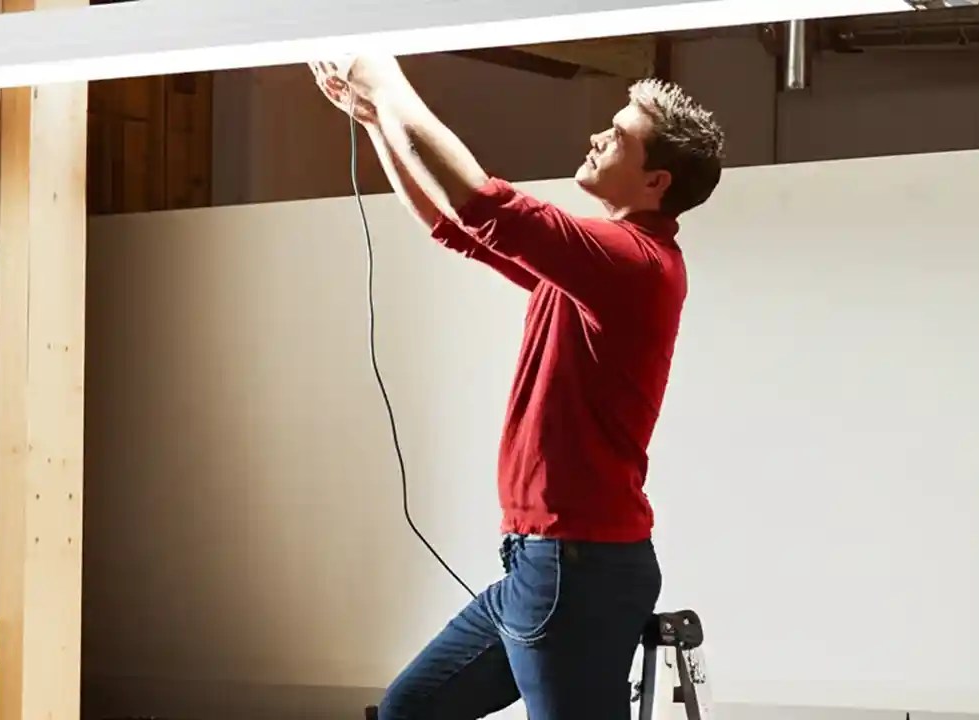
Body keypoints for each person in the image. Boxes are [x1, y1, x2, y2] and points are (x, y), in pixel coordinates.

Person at [308, 56, 725, 719]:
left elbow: (483, 204)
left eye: (617, 134)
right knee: (408, 710)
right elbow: (458, 228)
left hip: (574, 567)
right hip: (546, 567)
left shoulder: (630, 263)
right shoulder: (601, 266)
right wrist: (378, 119)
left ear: (655, 180)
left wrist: (387, 81)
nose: (597, 137)